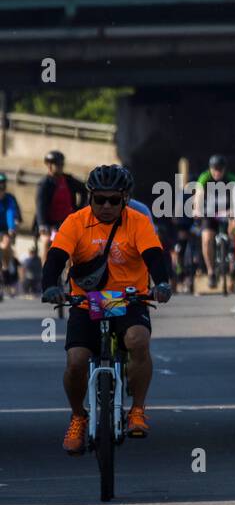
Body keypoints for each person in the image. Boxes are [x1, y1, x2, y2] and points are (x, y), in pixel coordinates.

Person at [40, 165, 172, 451]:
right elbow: (55, 258)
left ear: (125, 198)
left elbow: (154, 256)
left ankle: (137, 410)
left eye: (114, 200)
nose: (107, 206)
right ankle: (78, 416)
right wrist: (50, 286)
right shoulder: (75, 222)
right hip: (86, 302)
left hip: (127, 300)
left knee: (138, 340)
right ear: (90, 197)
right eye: (100, 199)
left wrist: (162, 284)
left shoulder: (138, 222)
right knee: (75, 361)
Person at [193, 155, 235, 289]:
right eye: (214, 169)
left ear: (224, 169)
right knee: (207, 238)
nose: (217, 172)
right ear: (210, 169)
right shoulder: (204, 177)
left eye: (220, 169)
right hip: (210, 212)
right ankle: (211, 272)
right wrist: (197, 210)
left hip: (227, 210)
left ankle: (233, 259)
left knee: (234, 232)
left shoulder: (231, 178)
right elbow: (198, 195)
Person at [35, 151, 87, 263]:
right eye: (58, 165)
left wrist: (80, 209)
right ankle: (45, 274)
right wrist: (42, 225)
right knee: (46, 242)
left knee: (74, 245)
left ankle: (70, 276)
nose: (60, 167)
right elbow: (40, 206)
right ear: (49, 165)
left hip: (68, 222)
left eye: (62, 164)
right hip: (50, 224)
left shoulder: (68, 180)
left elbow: (84, 189)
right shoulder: (44, 184)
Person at [0, 172, 21, 299]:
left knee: (6, 245)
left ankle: (6, 268)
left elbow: (10, 213)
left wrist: (12, 228)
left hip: (5, 229)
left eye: (2, 186)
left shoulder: (9, 199)